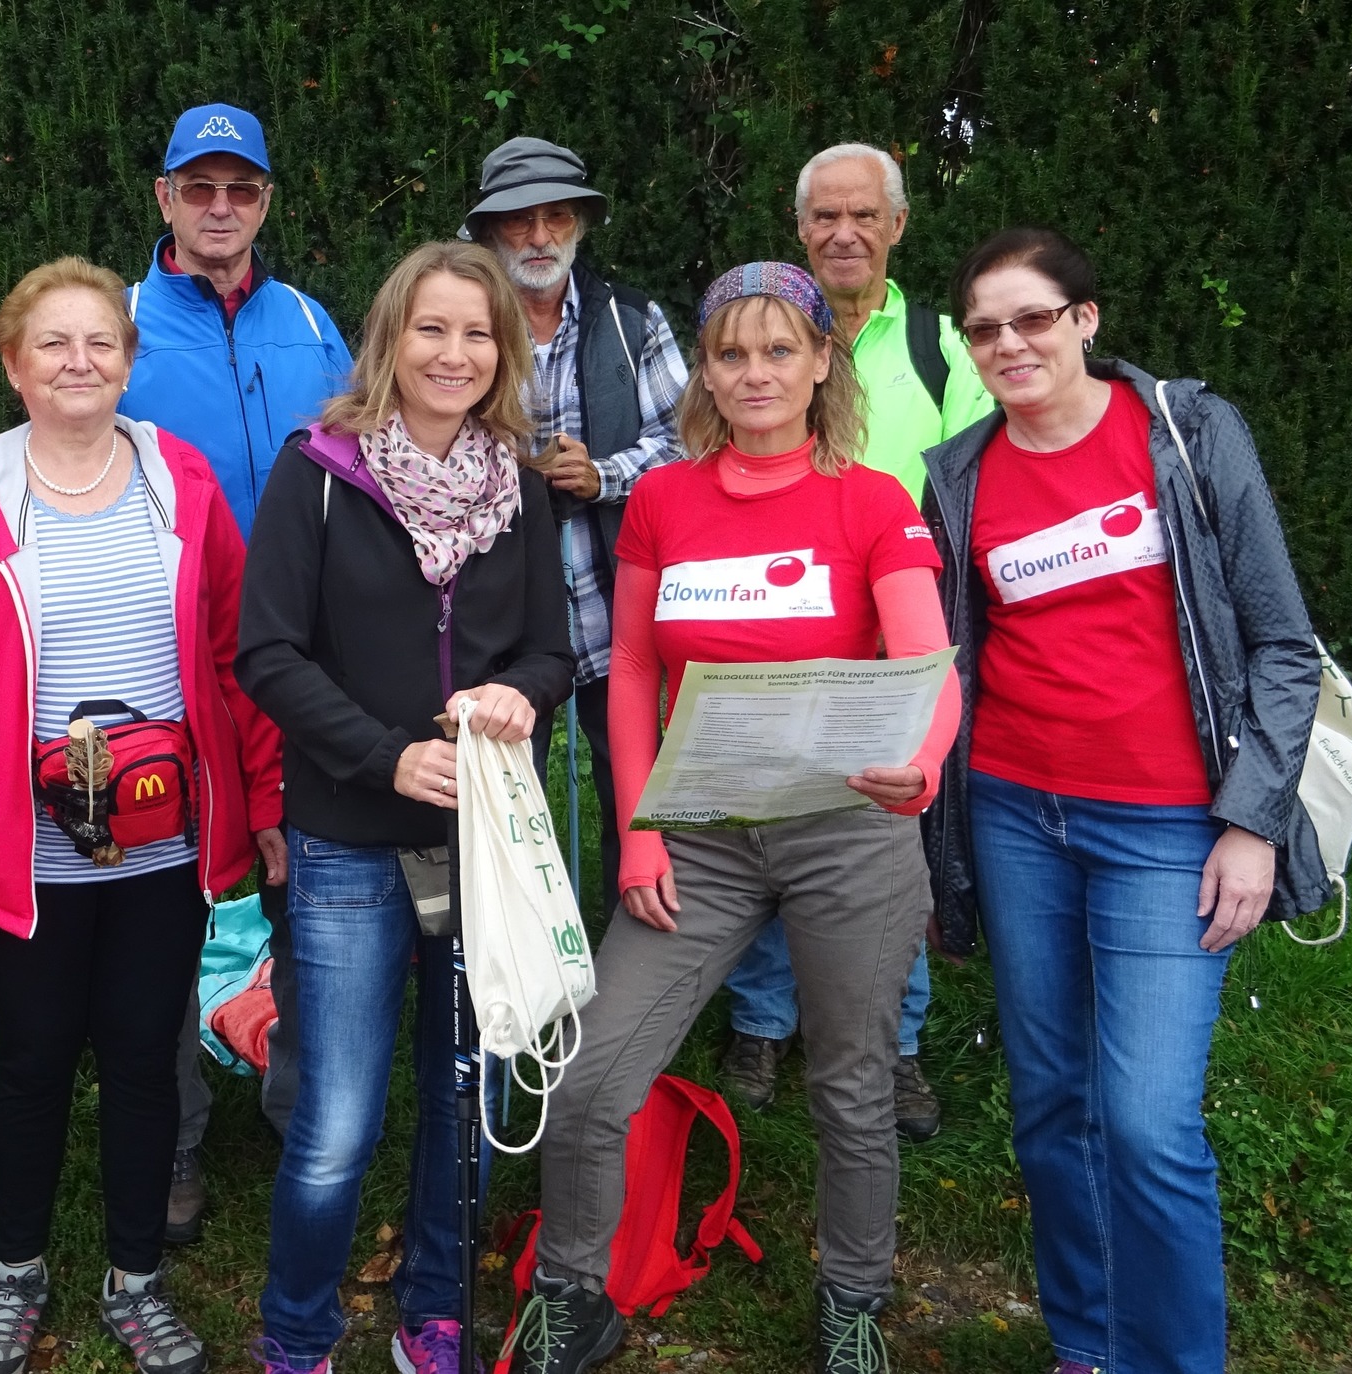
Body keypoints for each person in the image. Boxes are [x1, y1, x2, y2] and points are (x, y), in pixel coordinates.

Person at [508, 263, 960, 1374]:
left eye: (776, 351)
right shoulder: (662, 498)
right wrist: (642, 829)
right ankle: (572, 1288)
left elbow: (924, 663)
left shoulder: (870, 500)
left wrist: (921, 760)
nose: (752, 373)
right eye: (729, 353)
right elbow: (625, 679)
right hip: (698, 831)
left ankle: (853, 1298)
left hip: (845, 829)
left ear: (817, 364)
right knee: (590, 1076)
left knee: (851, 1084)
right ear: (702, 372)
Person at [923, 227, 1327, 1374]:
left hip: (1167, 826)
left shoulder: (1186, 435)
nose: (1009, 344)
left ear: (1083, 321)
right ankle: (1088, 1345)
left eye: (1032, 318)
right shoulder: (957, 473)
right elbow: (948, 660)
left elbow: (1281, 646)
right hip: (1014, 817)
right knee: (1050, 1109)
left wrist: (1250, 819)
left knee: (1147, 1124)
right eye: (984, 329)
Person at [0, 256, 285, 1374]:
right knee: (30, 1062)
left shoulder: (183, 479)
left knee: (141, 1061)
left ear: (127, 360)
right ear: (14, 367)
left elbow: (233, 657)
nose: (79, 361)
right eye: (53, 344)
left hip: (162, 847)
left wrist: (261, 803)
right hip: (26, 853)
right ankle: (14, 1278)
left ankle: (135, 1281)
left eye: (100, 342)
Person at [236, 241, 573, 1374]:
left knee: (461, 1093)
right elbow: (267, 653)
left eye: (477, 333)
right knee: (336, 1122)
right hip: (345, 838)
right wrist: (384, 757)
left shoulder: (515, 486)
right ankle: (295, 1334)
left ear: (503, 350)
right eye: (431, 329)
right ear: (388, 339)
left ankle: (434, 1306)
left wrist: (513, 695)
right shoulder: (319, 472)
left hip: (480, 841)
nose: (454, 352)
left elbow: (548, 650)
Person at [719, 142, 993, 1132]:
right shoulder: (763, 332)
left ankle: (896, 1041)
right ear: (799, 229)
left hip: (889, 640)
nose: (841, 233)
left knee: (889, 843)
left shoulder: (938, 348)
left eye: (861, 215)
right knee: (758, 824)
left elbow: (974, 493)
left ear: (896, 226)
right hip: (769, 628)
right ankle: (760, 1021)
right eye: (822, 216)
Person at [116, 102, 355, 1238]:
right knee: (165, 891)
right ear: (162, 197)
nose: (219, 209)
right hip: (161, 657)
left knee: (311, 872)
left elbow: (367, 467)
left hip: (310, 654)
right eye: (197, 187)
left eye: (241, 190)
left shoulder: (310, 321)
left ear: (264, 200)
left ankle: (301, 1094)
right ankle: (170, 1139)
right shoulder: (112, 326)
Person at [457, 137, 688, 907]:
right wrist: (507, 477)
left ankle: (640, 942)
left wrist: (602, 475)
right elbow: (410, 443)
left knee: (636, 776)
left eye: (557, 217)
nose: (539, 237)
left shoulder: (631, 318)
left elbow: (685, 445)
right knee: (502, 785)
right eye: (519, 222)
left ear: (580, 225)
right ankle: (516, 951)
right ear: (489, 234)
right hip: (499, 604)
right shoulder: (460, 325)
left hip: (612, 593)